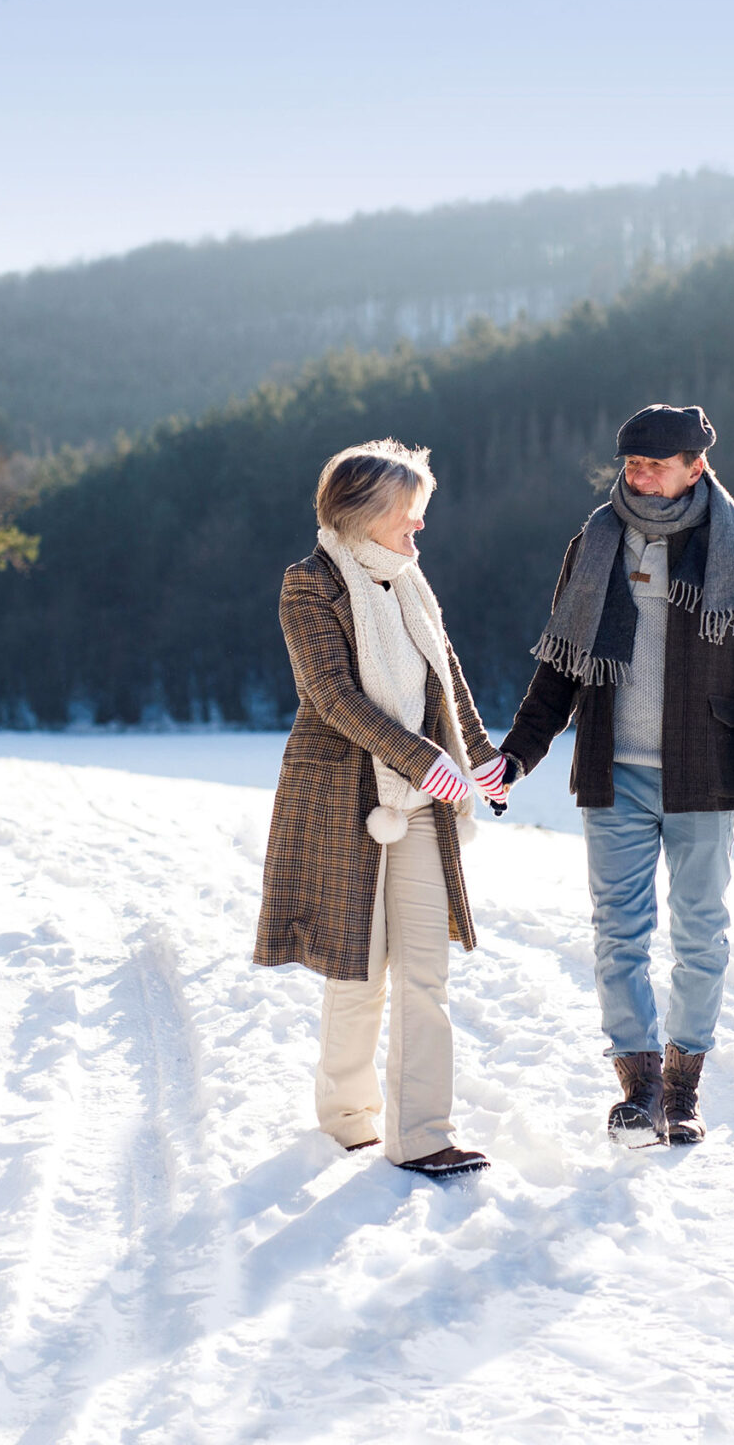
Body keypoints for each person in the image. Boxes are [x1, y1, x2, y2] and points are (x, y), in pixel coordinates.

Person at [498, 404, 734, 1145]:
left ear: (696, 466)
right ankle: (638, 1093)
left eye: (655, 464)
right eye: (630, 463)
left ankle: (683, 1088)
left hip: (707, 774)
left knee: (701, 936)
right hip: (613, 771)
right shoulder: (595, 541)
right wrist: (515, 756)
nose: (637, 475)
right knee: (618, 935)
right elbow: (559, 669)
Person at [254, 439, 512, 1181]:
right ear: (366, 512)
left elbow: (446, 679)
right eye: (410, 512)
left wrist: (479, 756)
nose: (420, 527)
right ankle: (346, 1116)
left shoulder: (411, 582)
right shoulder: (309, 586)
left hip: (422, 799)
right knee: (357, 967)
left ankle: (422, 1134)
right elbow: (330, 697)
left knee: (425, 970)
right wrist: (427, 762)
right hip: (344, 794)